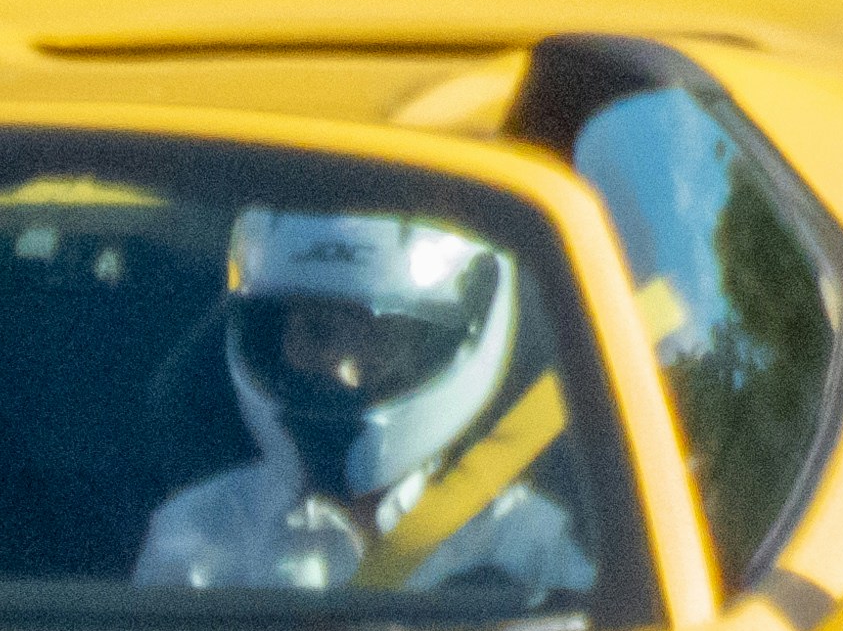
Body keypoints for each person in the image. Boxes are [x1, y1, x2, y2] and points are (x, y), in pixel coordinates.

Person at [133, 207, 594, 597]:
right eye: (317, 332)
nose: (340, 369)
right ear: (273, 342)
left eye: (378, 338)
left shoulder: (522, 542)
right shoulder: (196, 536)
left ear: (435, 344)